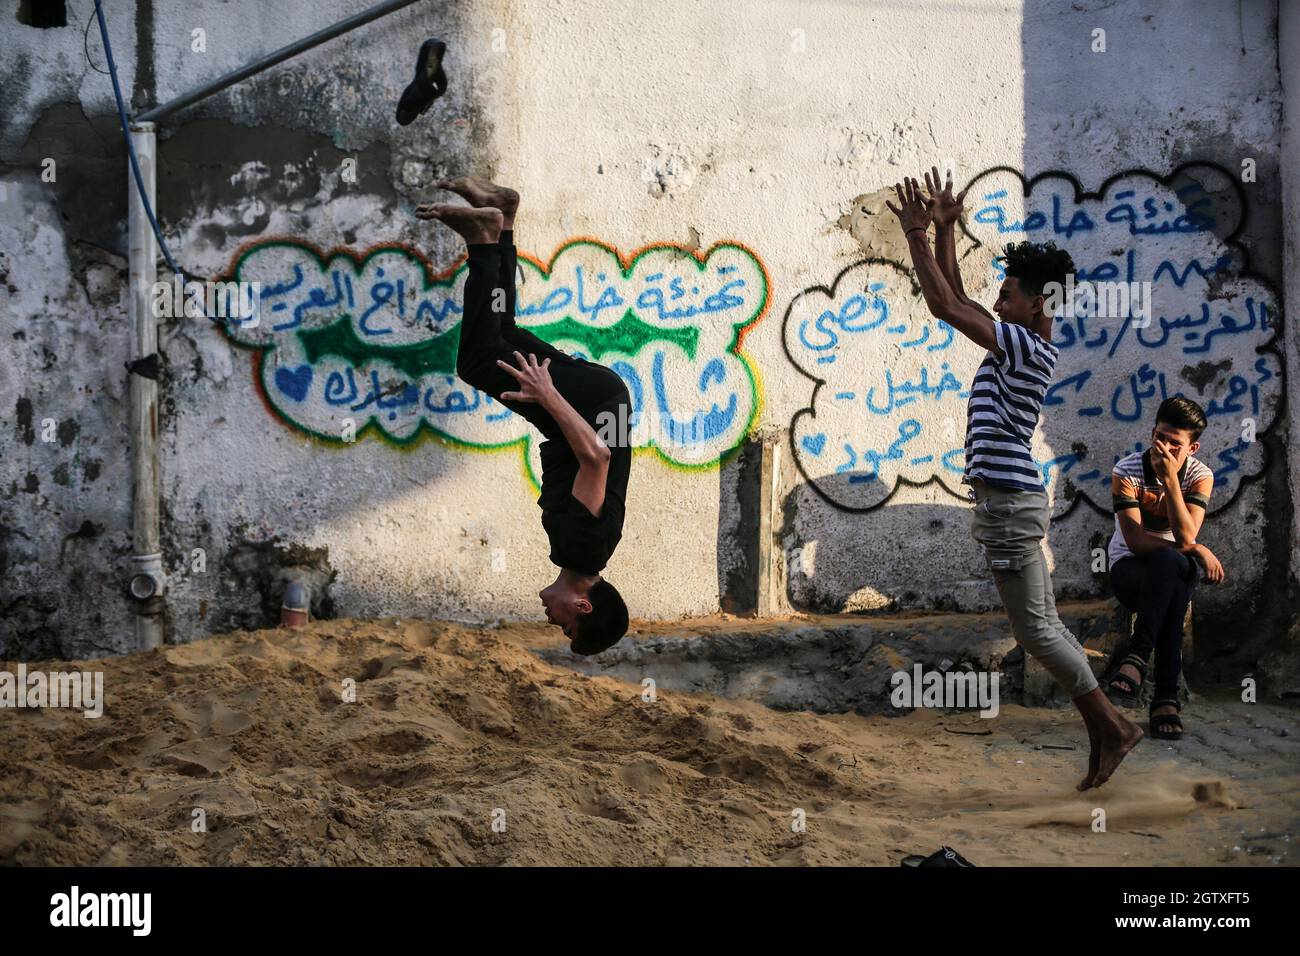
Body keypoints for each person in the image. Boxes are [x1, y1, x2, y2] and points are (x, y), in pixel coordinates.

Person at [886, 169, 1143, 789]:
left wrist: (917, 235)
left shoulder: (1026, 347)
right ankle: (1110, 729)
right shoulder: (1021, 343)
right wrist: (948, 229)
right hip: (1010, 502)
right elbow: (964, 302)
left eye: (1008, 296)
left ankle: (1111, 727)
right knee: (1043, 626)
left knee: (1034, 631)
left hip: (1009, 504)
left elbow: (946, 305)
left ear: (1037, 305)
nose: (996, 305)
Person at [416, 176, 631, 655]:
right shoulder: (584, 549)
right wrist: (549, 393)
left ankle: (501, 218)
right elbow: (596, 457)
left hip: (597, 402)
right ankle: (480, 236)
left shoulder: (581, 551)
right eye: (565, 627)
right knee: (476, 360)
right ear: (583, 607)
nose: (552, 621)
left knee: (499, 330)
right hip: (587, 408)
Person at [1106, 396, 1223, 739]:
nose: (1166, 447)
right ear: (1152, 431)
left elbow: (1186, 532)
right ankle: (1165, 701)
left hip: (1172, 571)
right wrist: (1197, 549)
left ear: (1193, 447)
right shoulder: (1126, 471)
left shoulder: (1201, 476)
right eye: (1162, 436)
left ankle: (1137, 658)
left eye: (1176, 443)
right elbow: (1137, 542)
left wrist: (1171, 481)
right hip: (1129, 571)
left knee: (1170, 566)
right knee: (1170, 572)